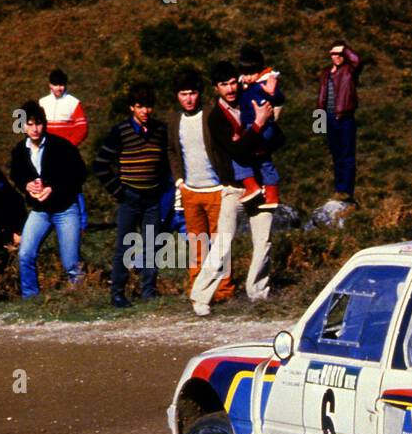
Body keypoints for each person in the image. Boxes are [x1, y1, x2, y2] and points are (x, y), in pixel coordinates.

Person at [167, 67, 245, 316]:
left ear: (199, 93)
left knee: (219, 242)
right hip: (190, 190)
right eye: (183, 94)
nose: (188, 98)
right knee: (197, 244)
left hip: (216, 189)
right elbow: (171, 151)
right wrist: (179, 180)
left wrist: (227, 183)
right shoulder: (173, 120)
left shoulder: (211, 115)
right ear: (177, 96)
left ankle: (223, 291)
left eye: (192, 93)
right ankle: (197, 288)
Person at [93, 82, 170, 307]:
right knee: (124, 246)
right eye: (140, 106)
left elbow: (165, 163)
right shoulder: (121, 131)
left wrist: (163, 188)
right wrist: (119, 191)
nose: (145, 111)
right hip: (130, 197)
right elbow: (100, 165)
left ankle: (149, 290)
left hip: (153, 198)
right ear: (131, 108)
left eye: (148, 106)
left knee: (152, 244)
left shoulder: (160, 130)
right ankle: (117, 292)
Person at [206, 60, 276, 302]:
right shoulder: (215, 118)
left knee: (263, 241)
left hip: (261, 183)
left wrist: (265, 125)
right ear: (216, 88)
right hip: (234, 188)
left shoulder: (251, 101)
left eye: (233, 82)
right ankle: (201, 295)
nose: (231, 88)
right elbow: (237, 153)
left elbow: (278, 139)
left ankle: (258, 293)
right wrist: (257, 124)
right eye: (224, 84)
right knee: (223, 243)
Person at [8, 101, 87, 297]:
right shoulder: (19, 150)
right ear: (23, 126)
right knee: (25, 254)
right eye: (30, 124)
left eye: (39, 123)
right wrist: (26, 185)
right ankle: (30, 298)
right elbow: (16, 174)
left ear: (45, 124)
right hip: (40, 211)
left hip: (65, 209)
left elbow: (80, 173)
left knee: (71, 262)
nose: (35, 129)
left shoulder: (61, 146)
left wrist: (54, 188)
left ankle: (80, 297)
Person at [38, 69, 89, 230]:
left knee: (73, 185)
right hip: (47, 153)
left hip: (67, 154)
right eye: (55, 84)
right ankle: (50, 217)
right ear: (49, 85)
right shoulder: (42, 102)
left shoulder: (73, 102)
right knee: (47, 183)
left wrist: (69, 146)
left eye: (61, 85)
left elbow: (82, 128)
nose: (59, 88)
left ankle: (82, 222)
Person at [236, 45, 286, 207]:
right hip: (257, 126)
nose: (248, 77)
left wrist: (272, 93)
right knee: (264, 160)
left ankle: (251, 186)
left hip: (261, 127)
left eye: (251, 73)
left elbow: (279, 98)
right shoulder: (246, 85)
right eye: (245, 74)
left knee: (240, 153)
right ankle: (272, 195)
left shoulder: (265, 82)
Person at [317, 39, 361, 203]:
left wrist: (345, 48)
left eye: (340, 53)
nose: (337, 56)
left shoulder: (349, 71)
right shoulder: (326, 73)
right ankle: (338, 189)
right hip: (328, 118)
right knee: (336, 156)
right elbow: (320, 98)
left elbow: (357, 60)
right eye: (334, 53)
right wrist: (318, 125)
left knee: (347, 155)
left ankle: (346, 191)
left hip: (344, 118)